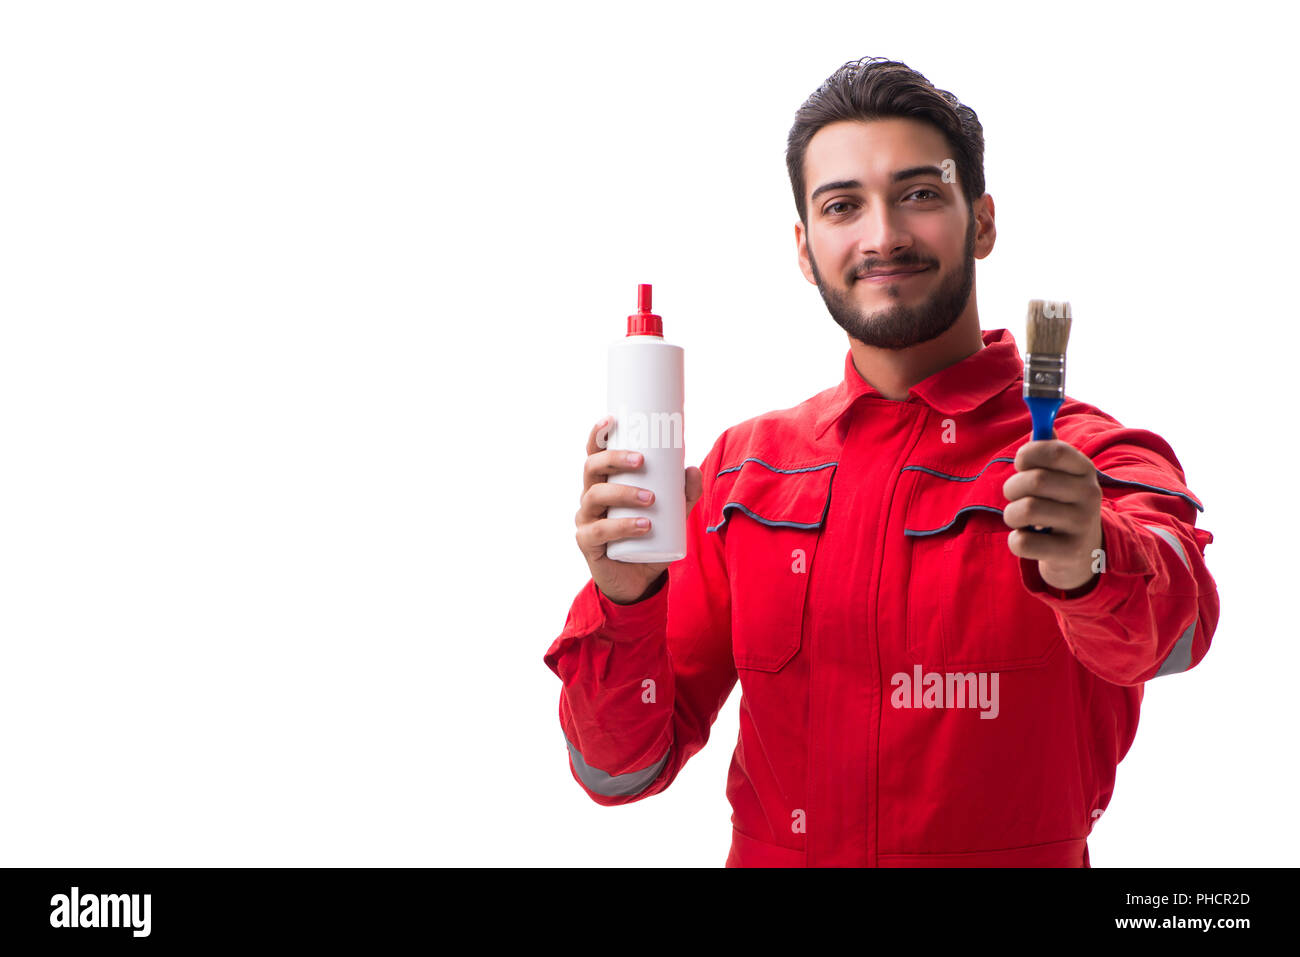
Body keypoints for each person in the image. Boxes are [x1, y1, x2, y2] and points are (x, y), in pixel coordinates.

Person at [544, 56, 1219, 867]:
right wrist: (625, 597)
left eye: (920, 194)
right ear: (804, 248)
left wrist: (1092, 559)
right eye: (842, 206)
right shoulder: (740, 472)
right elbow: (622, 766)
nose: (883, 235)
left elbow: (1177, 628)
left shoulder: (1087, 456)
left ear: (982, 221)